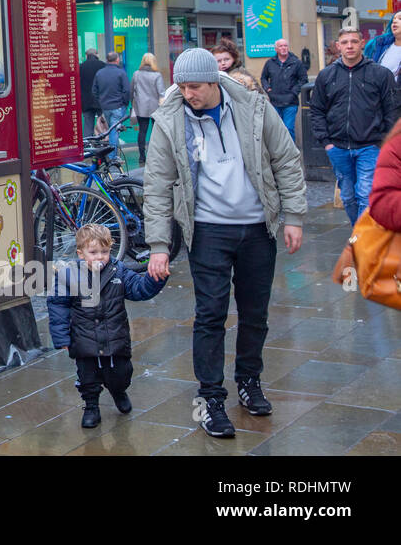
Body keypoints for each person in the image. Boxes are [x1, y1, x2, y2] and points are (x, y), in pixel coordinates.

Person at [144, 48, 306, 438]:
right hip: (207, 231)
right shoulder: (170, 120)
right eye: (181, 86)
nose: (187, 93)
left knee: (255, 314)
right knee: (210, 315)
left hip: (255, 228)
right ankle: (211, 398)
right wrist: (158, 245)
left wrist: (294, 217)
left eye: (194, 86)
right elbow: (157, 185)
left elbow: (286, 158)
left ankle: (249, 382)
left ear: (214, 82)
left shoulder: (253, 108)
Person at [47, 223, 167, 428]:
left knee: (121, 374)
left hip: (115, 337)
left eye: (104, 251)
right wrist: (62, 338)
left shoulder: (118, 271)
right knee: (87, 379)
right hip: (84, 340)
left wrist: (155, 279)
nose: (99, 257)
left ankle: (118, 391)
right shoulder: (69, 276)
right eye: (93, 252)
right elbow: (58, 307)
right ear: (81, 253)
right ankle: (91, 406)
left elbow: (139, 290)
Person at [308, 27, 399, 227]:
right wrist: (326, 142)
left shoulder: (380, 74)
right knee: (348, 197)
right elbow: (317, 110)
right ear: (338, 46)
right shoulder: (327, 75)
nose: (349, 46)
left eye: (354, 41)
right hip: (338, 147)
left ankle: (359, 241)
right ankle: (358, 233)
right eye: (345, 42)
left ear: (362, 43)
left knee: (365, 194)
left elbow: (392, 110)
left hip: (370, 146)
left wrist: (383, 140)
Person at [260, 38, 308, 143]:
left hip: (290, 102)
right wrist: (268, 88)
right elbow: (263, 78)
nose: (284, 48)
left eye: (285, 46)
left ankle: (291, 154)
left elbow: (303, 79)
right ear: (276, 49)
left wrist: (294, 92)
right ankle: (279, 154)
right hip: (275, 101)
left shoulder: (296, 62)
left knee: (288, 128)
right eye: (281, 46)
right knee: (276, 129)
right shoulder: (270, 63)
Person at [92, 51, 131, 158]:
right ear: (117, 60)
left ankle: (113, 154)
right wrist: (124, 103)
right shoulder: (121, 73)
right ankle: (113, 157)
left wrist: (101, 101)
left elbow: (94, 91)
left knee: (112, 130)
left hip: (105, 107)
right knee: (114, 131)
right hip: (118, 106)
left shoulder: (100, 73)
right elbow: (127, 91)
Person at [130, 53, 166, 166]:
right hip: (155, 108)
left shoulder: (136, 74)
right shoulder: (157, 75)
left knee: (142, 131)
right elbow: (161, 93)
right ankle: (154, 155)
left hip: (141, 107)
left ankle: (142, 156)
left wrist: (132, 103)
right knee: (156, 133)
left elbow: (132, 91)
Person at [366, 117, 401, 232]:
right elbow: (383, 204)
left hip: (368, 144)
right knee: (350, 193)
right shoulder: (397, 142)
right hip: (345, 145)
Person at [363, 12, 401, 113]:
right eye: (393, 20)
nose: (395, 21)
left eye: (400, 19)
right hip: (379, 100)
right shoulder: (379, 45)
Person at [79, 48, 103, 138]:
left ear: (86, 55)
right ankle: (103, 147)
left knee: (88, 126)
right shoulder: (102, 65)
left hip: (86, 101)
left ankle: (88, 146)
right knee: (103, 125)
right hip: (100, 100)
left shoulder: (81, 67)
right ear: (97, 54)